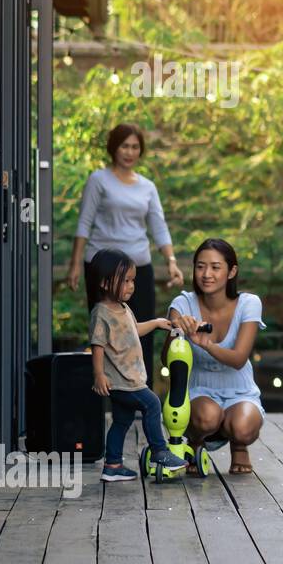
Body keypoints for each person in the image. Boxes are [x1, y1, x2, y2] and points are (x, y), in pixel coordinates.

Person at [68, 123, 184, 389]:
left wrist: (171, 261)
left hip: (139, 268)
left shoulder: (147, 186)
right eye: (124, 146)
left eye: (135, 147)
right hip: (103, 268)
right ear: (113, 148)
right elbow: (84, 223)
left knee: (142, 333)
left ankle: (141, 394)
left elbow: (159, 226)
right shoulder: (98, 179)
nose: (129, 152)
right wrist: (75, 264)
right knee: (104, 333)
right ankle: (104, 395)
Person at [164, 238, 267, 475]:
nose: (206, 274)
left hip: (239, 391)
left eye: (215, 267)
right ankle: (195, 444)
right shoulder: (182, 303)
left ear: (232, 271)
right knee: (207, 418)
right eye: (200, 266)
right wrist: (176, 331)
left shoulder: (249, 303)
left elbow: (239, 358)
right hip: (200, 389)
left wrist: (206, 344)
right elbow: (165, 359)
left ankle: (239, 446)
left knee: (243, 427)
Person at [87, 249, 189, 481]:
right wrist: (99, 374)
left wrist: (155, 323)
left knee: (121, 421)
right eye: (125, 281)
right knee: (152, 404)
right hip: (123, 381)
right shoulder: (101, 313)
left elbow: (135, 330)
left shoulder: (123, 308)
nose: (131, 286)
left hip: (130, 377)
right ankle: (160, 452)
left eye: (133, 280)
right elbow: (97, 346)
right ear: (104, 283)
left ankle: (112, 466)